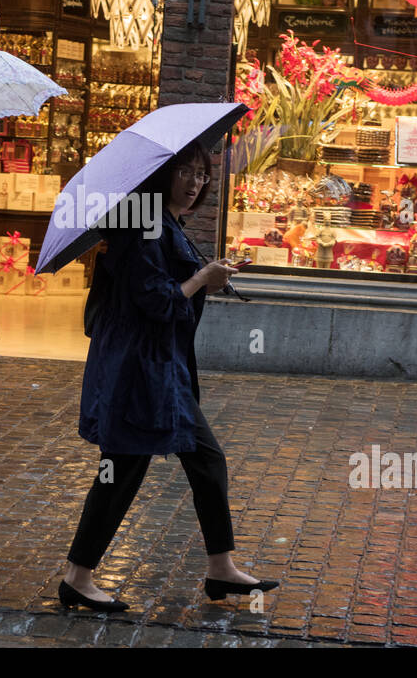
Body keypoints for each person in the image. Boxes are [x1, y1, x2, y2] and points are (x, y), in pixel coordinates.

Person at [59, 140, 279, 611]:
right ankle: (77, 576)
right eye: (185, 171)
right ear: (163, 174)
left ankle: (221, 567)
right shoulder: (141, 222)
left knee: (205, 459)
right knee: (119, 470)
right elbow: (157, 300)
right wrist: (202, 279)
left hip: (161, 372)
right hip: (136, 373)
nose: (195, 182)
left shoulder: (162, 223)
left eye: (202, 175)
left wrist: (208, 273)